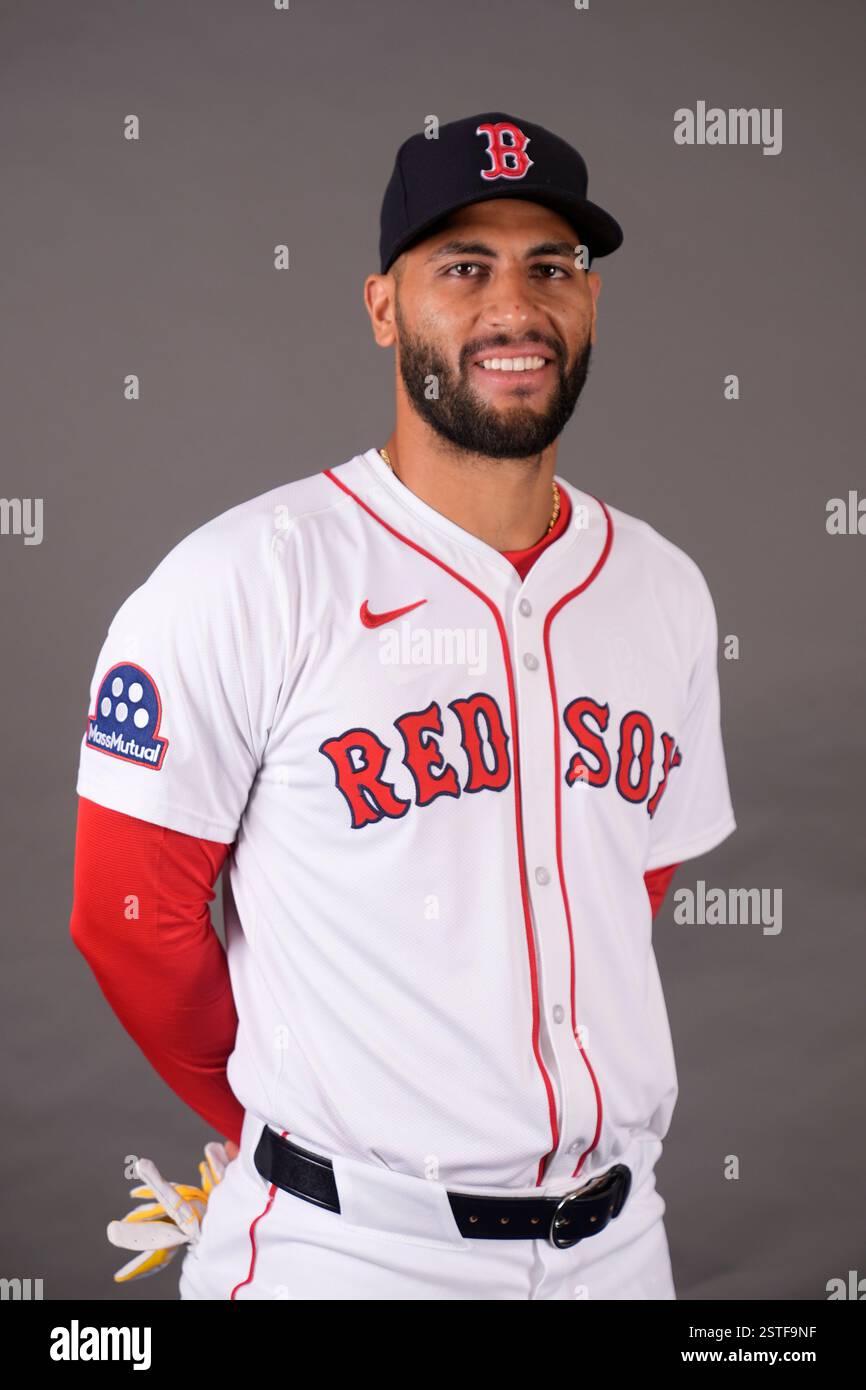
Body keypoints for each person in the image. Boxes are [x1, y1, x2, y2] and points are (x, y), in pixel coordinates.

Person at [70, 111, 736, 1300]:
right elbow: (125, 915)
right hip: (351, 1251)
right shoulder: (250, 575)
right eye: (463, 268)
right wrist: (279, 1114)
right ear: (382, 307)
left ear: (588, 302)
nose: (514, 308)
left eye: (553, 266)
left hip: (622, 1247)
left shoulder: (664, 587)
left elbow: (622, 885)